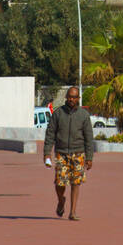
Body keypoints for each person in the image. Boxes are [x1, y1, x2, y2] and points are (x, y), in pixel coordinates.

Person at [43, 86, 94, 221]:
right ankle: (61, 200)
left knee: (75, 182)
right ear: (66, 97)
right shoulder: (58, 113)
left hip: (78, 153)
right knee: (60, 182)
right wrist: (47, 153)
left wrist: (89, 158)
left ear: (78, 99)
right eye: (70, 97)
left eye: (74, 97)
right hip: (61, 153)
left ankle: (72, 212)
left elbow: (89, 138)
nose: (71, 99)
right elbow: (50, 134)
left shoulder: (84, 115)